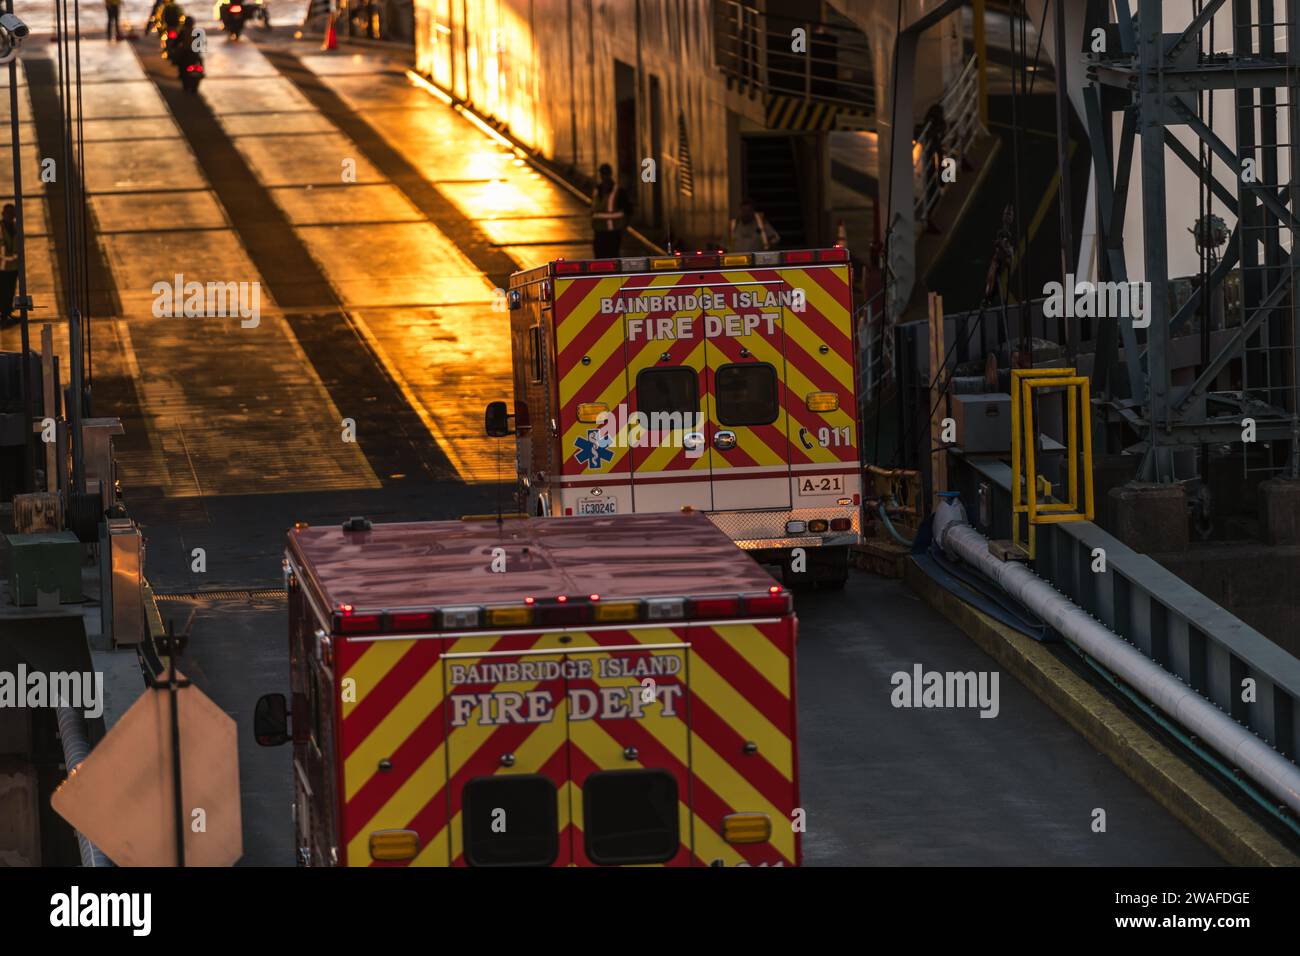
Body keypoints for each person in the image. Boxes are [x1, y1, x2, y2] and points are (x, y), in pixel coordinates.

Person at [591, 163, 632, 258]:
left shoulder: (619, 191)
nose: (603, 176)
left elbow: (628, 211)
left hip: (613, 232)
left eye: (605, 174)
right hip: (599, 231)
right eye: (602, 174)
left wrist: (624, 228)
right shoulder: (597, 190)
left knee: (612, 257)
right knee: (599, 257)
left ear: (610, 175)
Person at [0, 204, 18, 328]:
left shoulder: (16, 227)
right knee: (3, 292)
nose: (10, 216)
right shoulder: (0, 228)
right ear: (3, 214)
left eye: (12, 214)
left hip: (13, 267)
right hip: (2, 266)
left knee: (10, 291)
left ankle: (7, 314)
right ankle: (4, 316)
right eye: (8, 213)